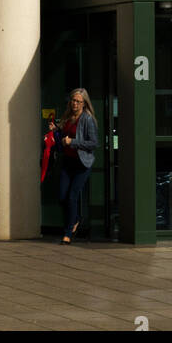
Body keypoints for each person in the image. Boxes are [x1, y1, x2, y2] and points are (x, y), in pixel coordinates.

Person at [48, 88, 98, 244]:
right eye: (73, 100)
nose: (75, 103)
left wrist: (73, 142)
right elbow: (63, 134)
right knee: (62, 196)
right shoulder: (68, 116)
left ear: (84, 103)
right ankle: (75, 218)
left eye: (78, 101)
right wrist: (56, 130)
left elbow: (94, 143)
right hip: (68, 162)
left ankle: (68, 233)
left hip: (82, 164)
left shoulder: (87, 119)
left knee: (72, 196)